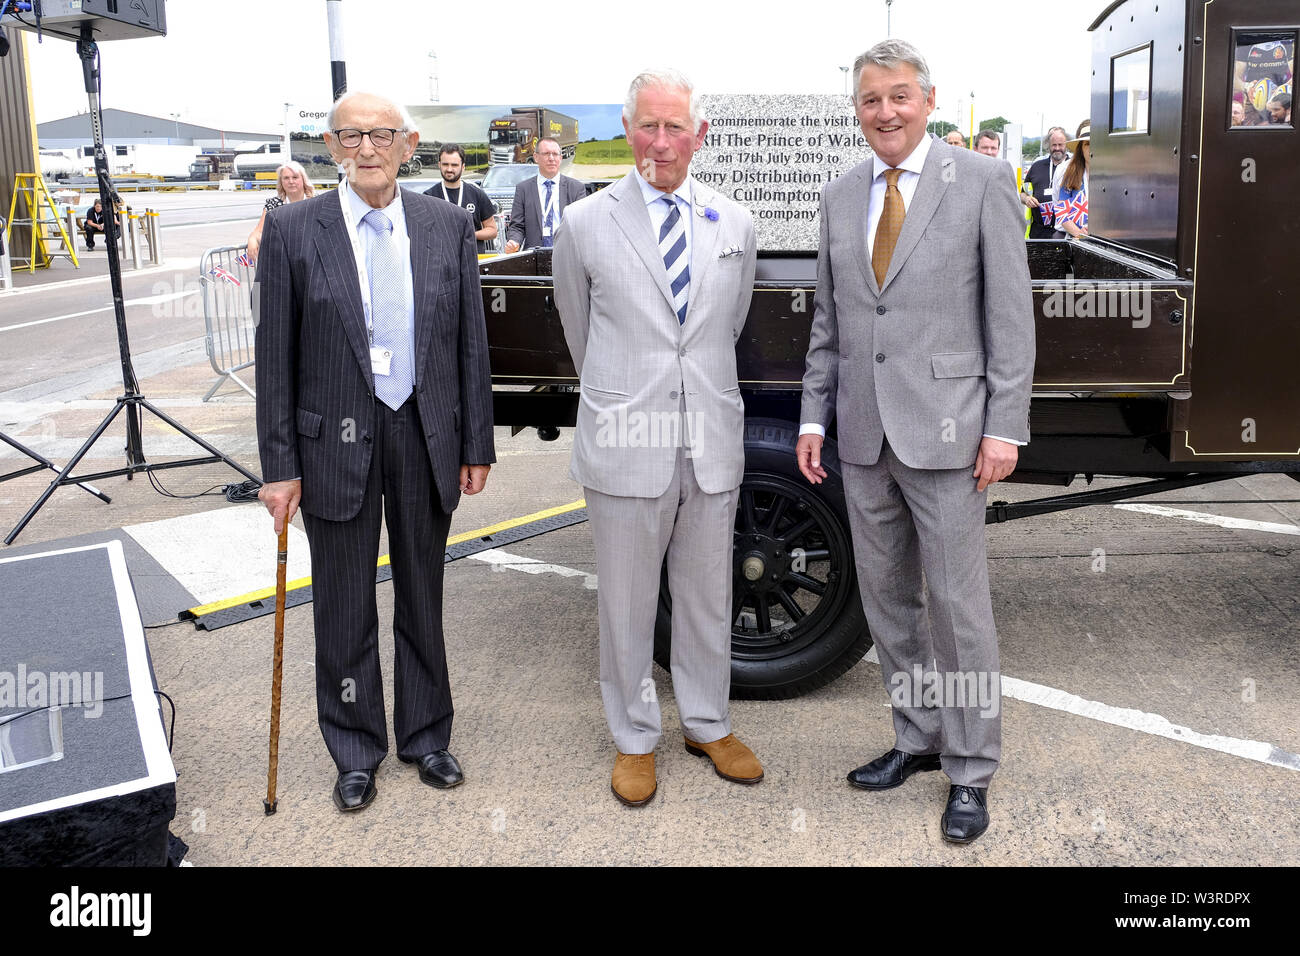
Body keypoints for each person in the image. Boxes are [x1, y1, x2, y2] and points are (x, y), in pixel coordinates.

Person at [795, 38, 1034, 845]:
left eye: (899, 96)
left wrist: (1004, 424)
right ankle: (916, 738)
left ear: (928, 100)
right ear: (856, 110)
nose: (886, 112)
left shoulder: (981, 180)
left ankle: (971, 769)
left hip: (951, 435)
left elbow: (1010, 314)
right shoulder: (838, 195)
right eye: (871, 100)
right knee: (889, 602)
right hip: (863, 434)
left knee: (959, 609)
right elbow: (832, 321)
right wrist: (813, 416)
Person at [255, 91, 495, 813]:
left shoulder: (446, 225)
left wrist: (475, 439)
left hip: (425, 435)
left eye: (381, 135)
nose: (367, 148)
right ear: (330, 146)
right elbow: (275, 360)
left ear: (408, 142)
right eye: (351, 136)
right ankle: (355, 747)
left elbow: (468, 344)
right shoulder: (295, 229)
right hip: (332, 444)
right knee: (343, 605)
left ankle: (426, 735)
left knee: (424, 594)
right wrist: (278, 468)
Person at [552, 68, 761, 808]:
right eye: (648, 125)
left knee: (707, 596)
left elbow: (723, 330)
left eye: (676, 127)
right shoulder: (584, 223)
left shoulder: (734, 223)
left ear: (700, 134)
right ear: (627, 128)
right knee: (628, 603)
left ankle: (707, 723)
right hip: (624, 439)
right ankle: (634, 737)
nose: (661, 142)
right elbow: (580, 331)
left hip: (708, 436)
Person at [503, 138, 586, 252]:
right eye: (546, 154)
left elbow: (581, 226)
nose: (551, 158)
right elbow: (517, 226)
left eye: (555, 154)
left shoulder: (576, 188)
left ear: (560, 158)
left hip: (567, 255)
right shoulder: (523, 189)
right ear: (536, 157)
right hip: (534, 256)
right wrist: (514, 241)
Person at [424, 143, 498, 253]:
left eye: (454, 165)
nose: (449, 169)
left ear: (463, 166)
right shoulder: (429, 196)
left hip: (472, 260)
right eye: (445, 164)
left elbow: (492, 230)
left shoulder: (477, 194)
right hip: (441, 261)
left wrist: (469, 235)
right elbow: (424, 233)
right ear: (439, 164)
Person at [245, 161, 314, 265]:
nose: (291, 181)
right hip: (285, 262)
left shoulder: (315, 202)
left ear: (303, 180)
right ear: (281, 182)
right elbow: (259, 231)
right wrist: (252, 239)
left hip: (311, 260)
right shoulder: (273, 204)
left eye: (295, 177)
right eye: (286, 178)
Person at [1022, 126, 1070, 239]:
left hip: (1066, 234)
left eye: (1060, 145)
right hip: (1038, 233)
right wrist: (1026, 199)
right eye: (1054, 145)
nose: (1057, 148)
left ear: (1066, 145)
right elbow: (1022, 192)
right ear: (1049, 146)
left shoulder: (1074, 167)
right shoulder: (1036, 166)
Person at [1052, 121, 1089, 239]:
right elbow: (1061, 211)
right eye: (1087, 144)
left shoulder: (1113, 174)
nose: (1091, 148)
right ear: (1081, 148)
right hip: (1074, 238)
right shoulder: (1070, 173)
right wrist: (1079, 233)